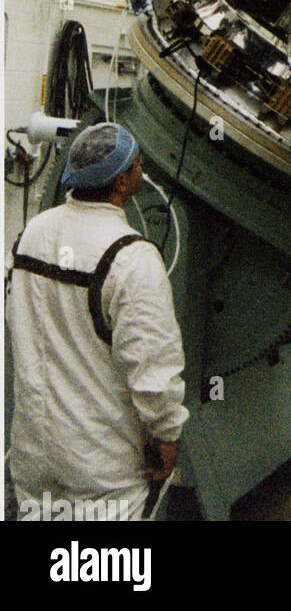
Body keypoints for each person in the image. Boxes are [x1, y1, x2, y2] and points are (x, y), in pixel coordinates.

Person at [7, 123, 189, 520]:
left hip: (32, 450)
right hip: (100, 462)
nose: (143, 171)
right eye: (139, 164)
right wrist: (166, 432)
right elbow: (151, 363)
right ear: (123, 180)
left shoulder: (33, 232)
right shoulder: (131, 257)